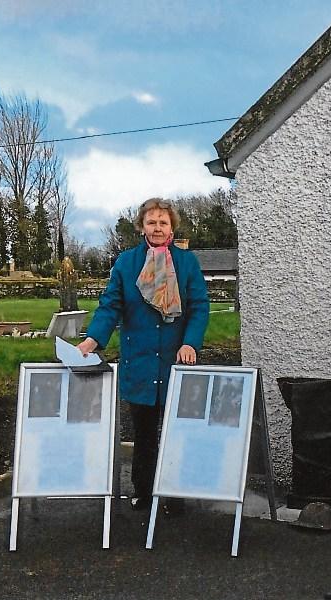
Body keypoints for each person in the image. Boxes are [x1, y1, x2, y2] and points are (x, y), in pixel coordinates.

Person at [78, 197, 209, 512]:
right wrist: (93, 339)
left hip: (176, 362)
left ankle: (175, 493)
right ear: (142, 226)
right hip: (139, 362)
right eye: (152, 222)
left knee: (177, 431)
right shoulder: (126, 263)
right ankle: (144, 491)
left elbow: (199, 307)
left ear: (172, 227)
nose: (158, 227)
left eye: (164, 222)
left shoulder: (187, 263)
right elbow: (111, 305)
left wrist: (190, 342)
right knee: (145, 434)